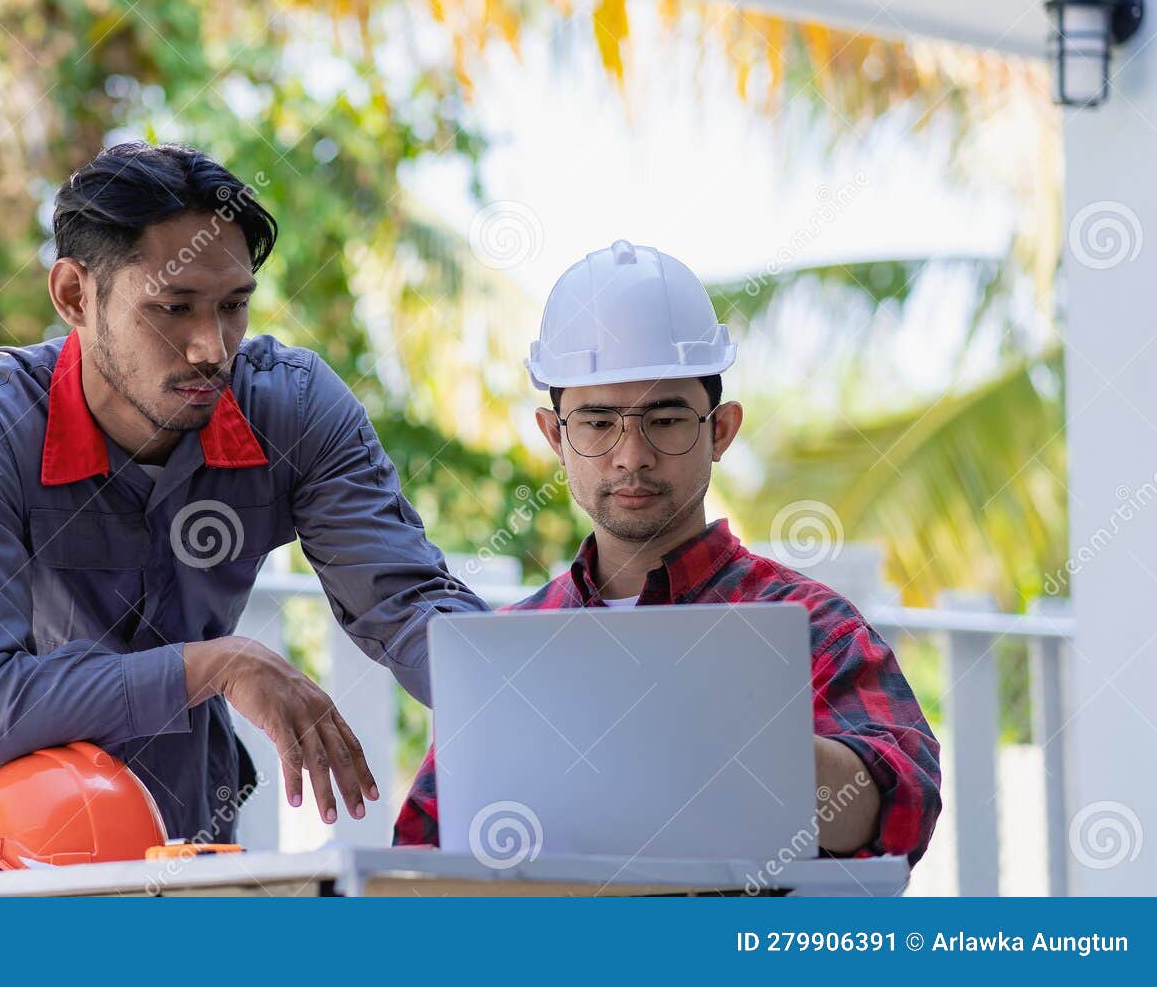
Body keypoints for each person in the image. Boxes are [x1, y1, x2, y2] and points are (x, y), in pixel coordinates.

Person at [0, 141, 488, 873]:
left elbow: (406, 605)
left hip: (188, 839)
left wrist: (529, 697)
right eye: (172, 307)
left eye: (233, 306)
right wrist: (211, 666)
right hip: (8, 859)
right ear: (75, 295)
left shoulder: (295, 410)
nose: (212, 348)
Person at [393, 239, 942, 864]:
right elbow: (419, 852)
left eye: (666, 420)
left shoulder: (811, 626)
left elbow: (904, 808)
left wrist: (735, 739)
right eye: (598, 423)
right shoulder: (509, 654)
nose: (632, 456)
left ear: (721, 430)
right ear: (555, 437)